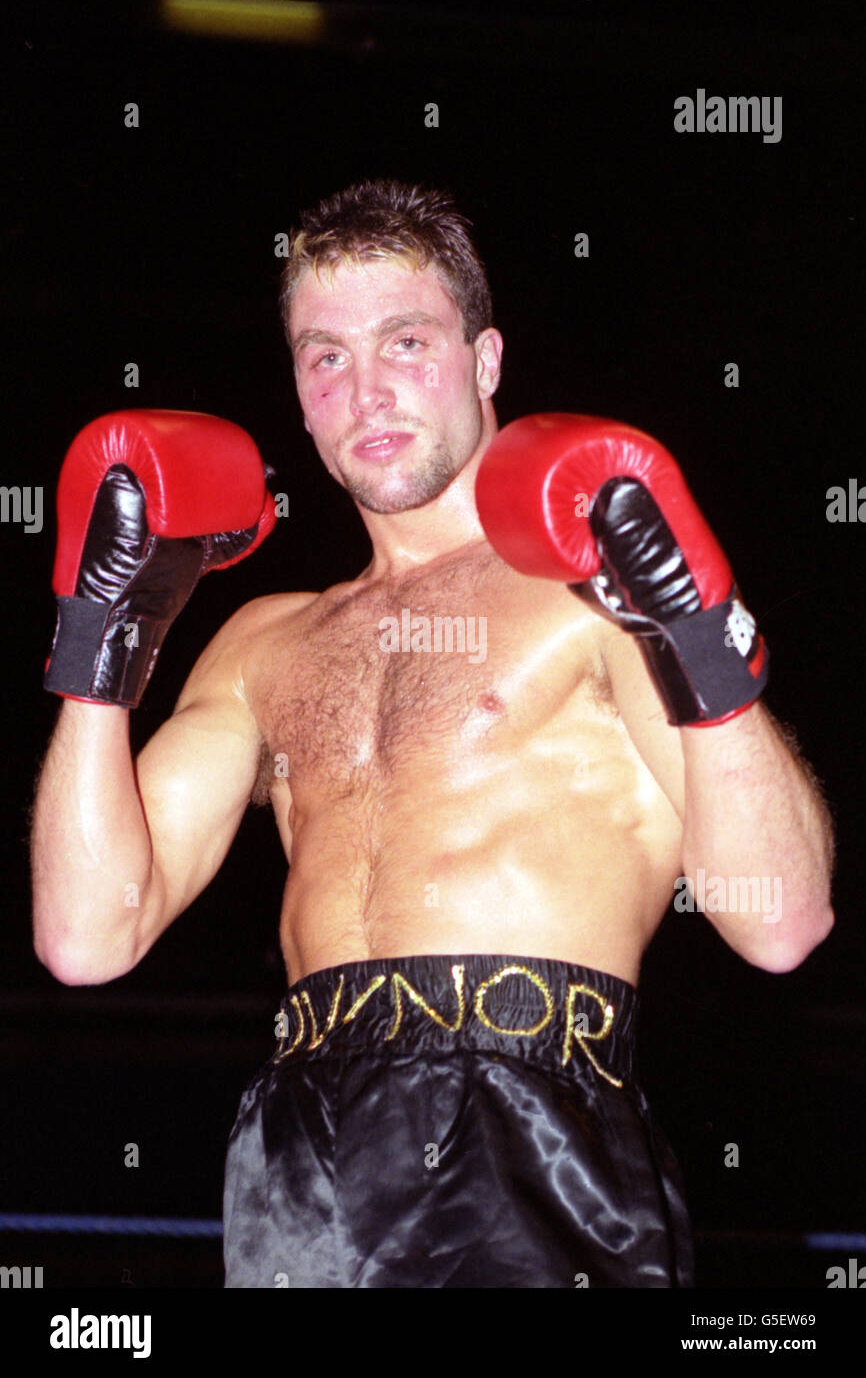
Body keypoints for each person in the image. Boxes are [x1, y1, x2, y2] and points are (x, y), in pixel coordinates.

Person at [31, 178, 835, 1289]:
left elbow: (781, 921)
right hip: (296, 1158)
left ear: (485, 360)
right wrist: (96, 648)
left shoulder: (589, 598)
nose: (364, 392)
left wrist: (695, 639)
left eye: (404, 342)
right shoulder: (265, 642)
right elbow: (86, 936)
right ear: (298, 397)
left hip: (533, 1141)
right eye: (324, 357)